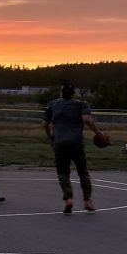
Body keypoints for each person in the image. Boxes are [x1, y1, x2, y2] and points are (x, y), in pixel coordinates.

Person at [42, 82, 101, 214]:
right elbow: (87, 120)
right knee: (83, 172)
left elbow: (45, 123)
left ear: (61, 92)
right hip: (76, 143)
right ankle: (87, 200)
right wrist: (98, 133)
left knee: (63, 173)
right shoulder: (81, 104)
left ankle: (68, 199)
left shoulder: (52, 104)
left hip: (60, 142)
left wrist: (51, 137)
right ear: (74, 93)